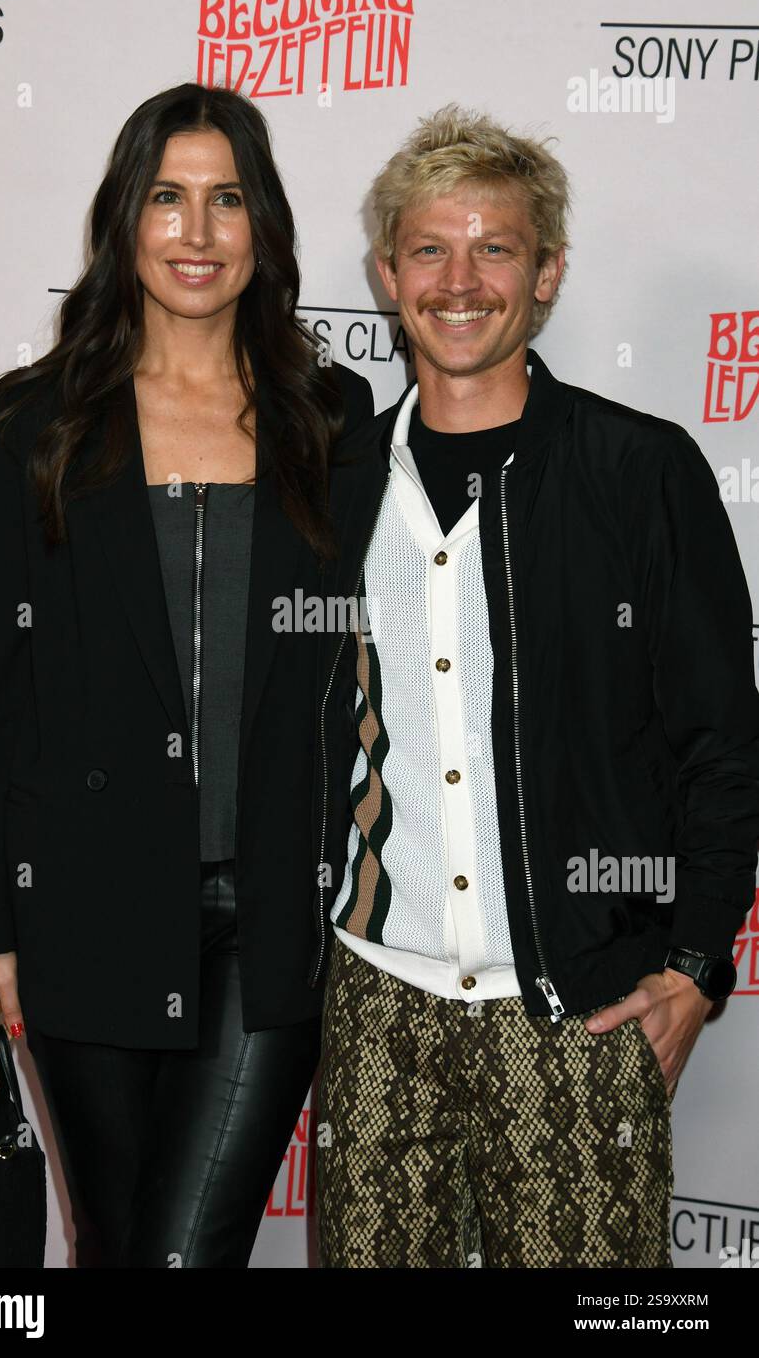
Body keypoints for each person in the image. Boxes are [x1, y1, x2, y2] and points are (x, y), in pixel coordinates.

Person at [311, 103, 759, 1267]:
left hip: (580, 1007)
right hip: (375, 1006)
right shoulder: (329, 483)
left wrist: (697, 964)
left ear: (546, 271)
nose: (459, 280)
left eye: (494, 247)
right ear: (384, 271)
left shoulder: (638, 469)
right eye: (428, 249)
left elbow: (719, 740)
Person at [0, 81, 373, 1268]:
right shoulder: (44, 421)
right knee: (118, 1239)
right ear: (125, 219)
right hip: (86, 905)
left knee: (184, 1250)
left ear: (263, 228)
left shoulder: (331, 419)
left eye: (226, 200)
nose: (195, 232)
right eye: (169, 199)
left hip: (272, 916)